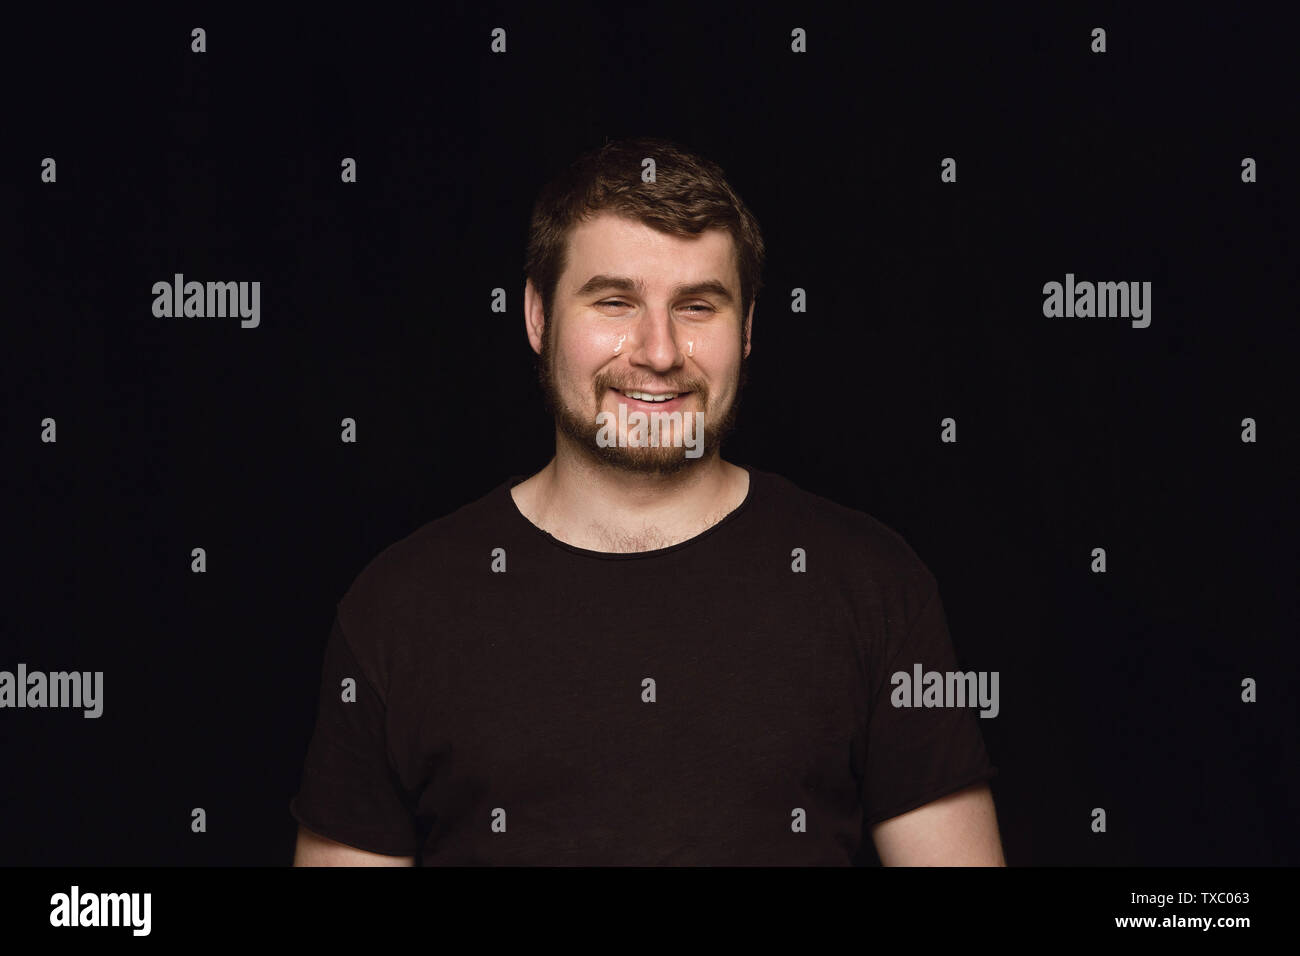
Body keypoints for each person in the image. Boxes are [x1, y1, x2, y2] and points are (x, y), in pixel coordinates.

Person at [290, 137, 1005, 866]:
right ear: (538, 317)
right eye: (614, 302)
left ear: (749, 327)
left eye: (698, 306)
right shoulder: (399, 606)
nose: (659, 352)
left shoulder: (874, 586)